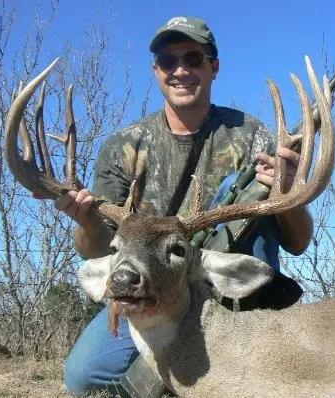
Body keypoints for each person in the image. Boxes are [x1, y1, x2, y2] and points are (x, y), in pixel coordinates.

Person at [56, 16, 313, 397]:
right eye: (167, 60)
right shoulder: (124, 146)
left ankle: (261, 346)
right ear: (156, 70)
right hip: (151, 288)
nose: (180, 71)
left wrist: (286, 193)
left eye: (193, 58)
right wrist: (87, 222)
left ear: (213, 67)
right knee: (82, 377)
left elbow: (299, 242)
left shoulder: (253, 134)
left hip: (223, 283)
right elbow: (97, 249)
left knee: (245, 195)